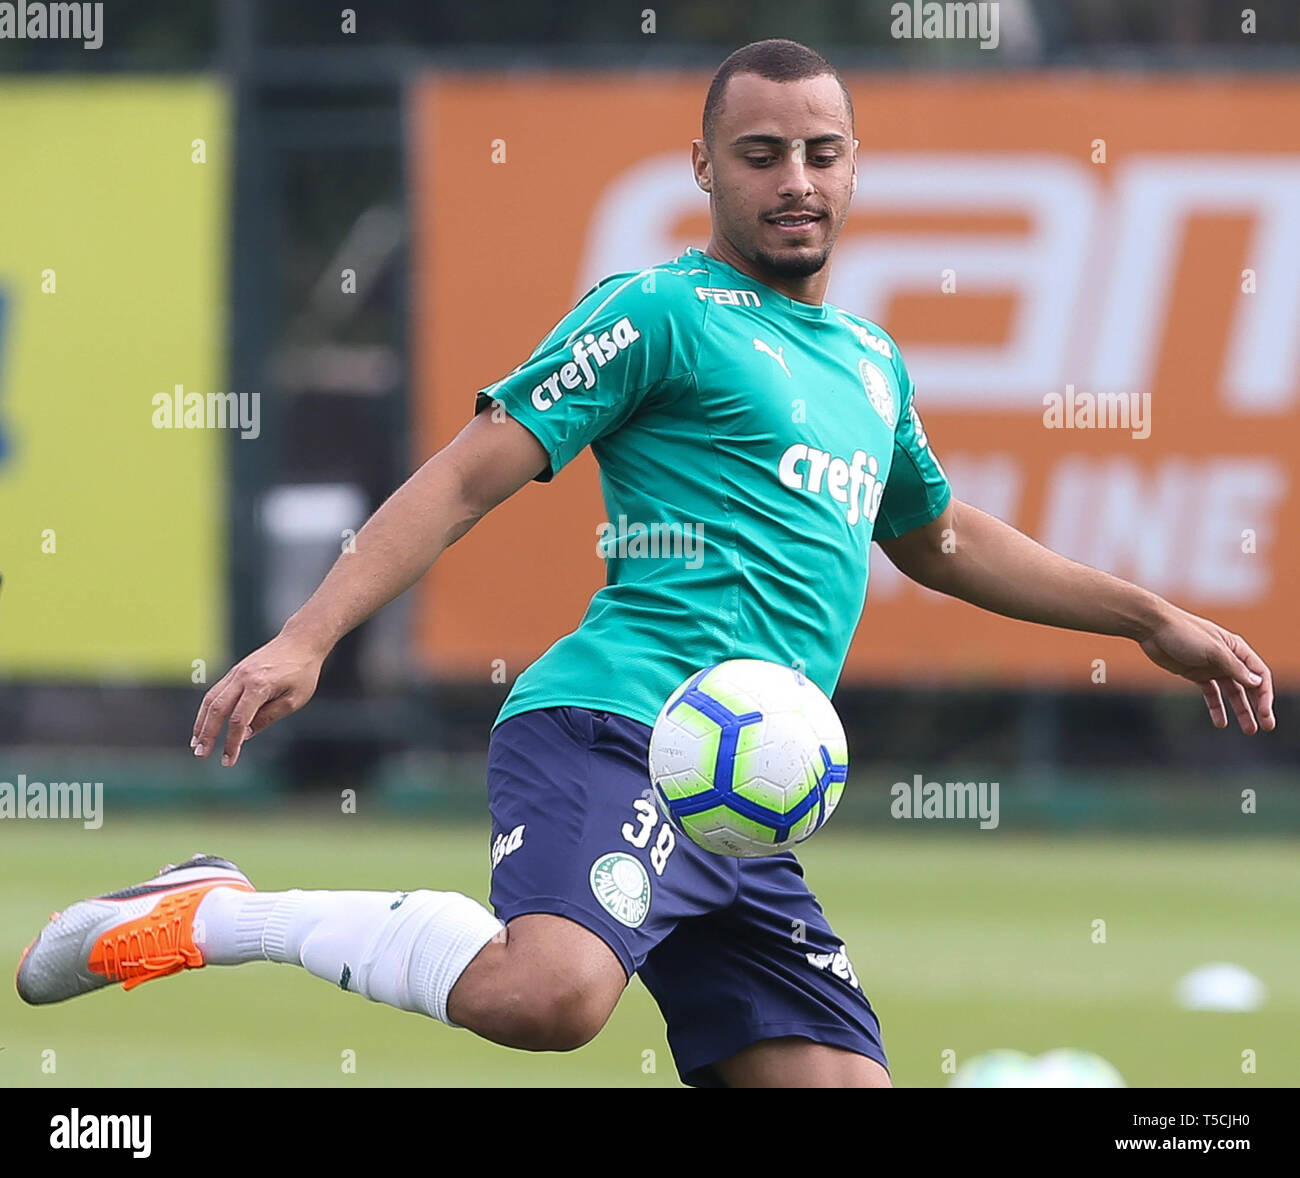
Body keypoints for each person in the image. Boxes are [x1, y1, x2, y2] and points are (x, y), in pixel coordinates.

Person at [16, 39, 1274, 1089]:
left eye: (820, 153)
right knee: (553, 994)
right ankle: (220, 911)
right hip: (616, 723)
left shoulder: (870, 360)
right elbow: (464, 473)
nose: (795, 179)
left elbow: (934, 538)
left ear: (853, 168)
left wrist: (1146, 615)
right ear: (704, 168)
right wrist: (307, 635)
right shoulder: (656, 311)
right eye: (761, 153)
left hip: (745, 795)